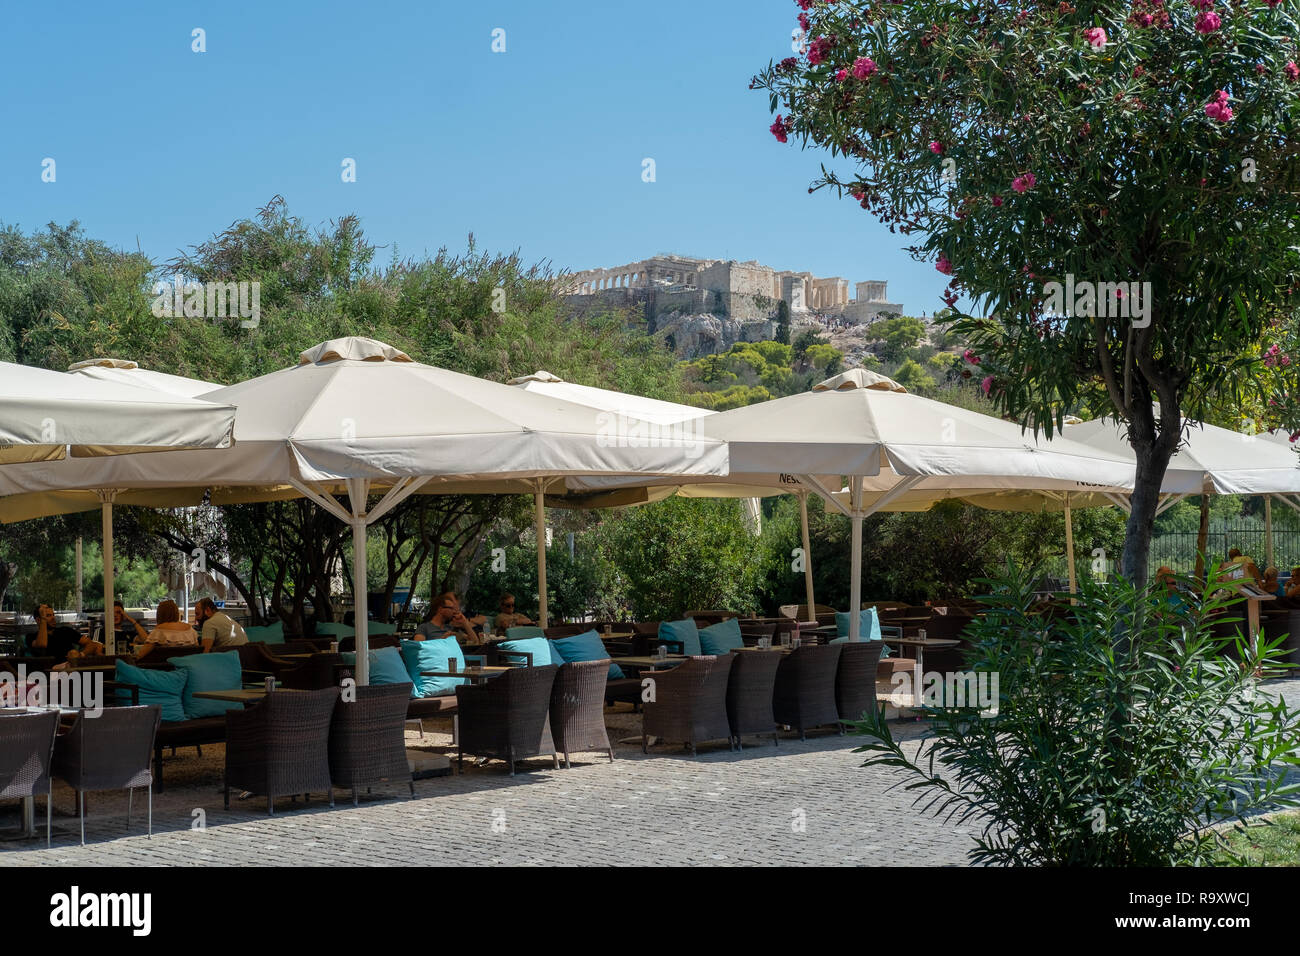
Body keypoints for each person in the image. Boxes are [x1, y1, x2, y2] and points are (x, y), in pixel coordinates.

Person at [29, 603, 102, 661]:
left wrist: (80, 655)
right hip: (49, 673)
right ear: (38, 620)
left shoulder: (65, 631)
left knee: (98, 646)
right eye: (48, 615)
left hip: (72, 670)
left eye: (53, 615)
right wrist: (43, 619)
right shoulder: (32, 636)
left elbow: (91, 643)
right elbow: (42, 644)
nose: (53, 618)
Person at [134, 599, 199, 661]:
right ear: (176, 613)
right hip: (187, 668)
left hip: (165, 669)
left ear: (160, 614)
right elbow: (197, 651)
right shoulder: (190, 630)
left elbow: (141, 654)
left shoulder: (159, 630)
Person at [415, 592, 480, 645]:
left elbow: (475, 642)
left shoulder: (450, 628)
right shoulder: (424, 628)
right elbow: (419, 648)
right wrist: (443, 640)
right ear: (440, 609)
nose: (454, 611)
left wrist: (465, 622)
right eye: (451, 608)